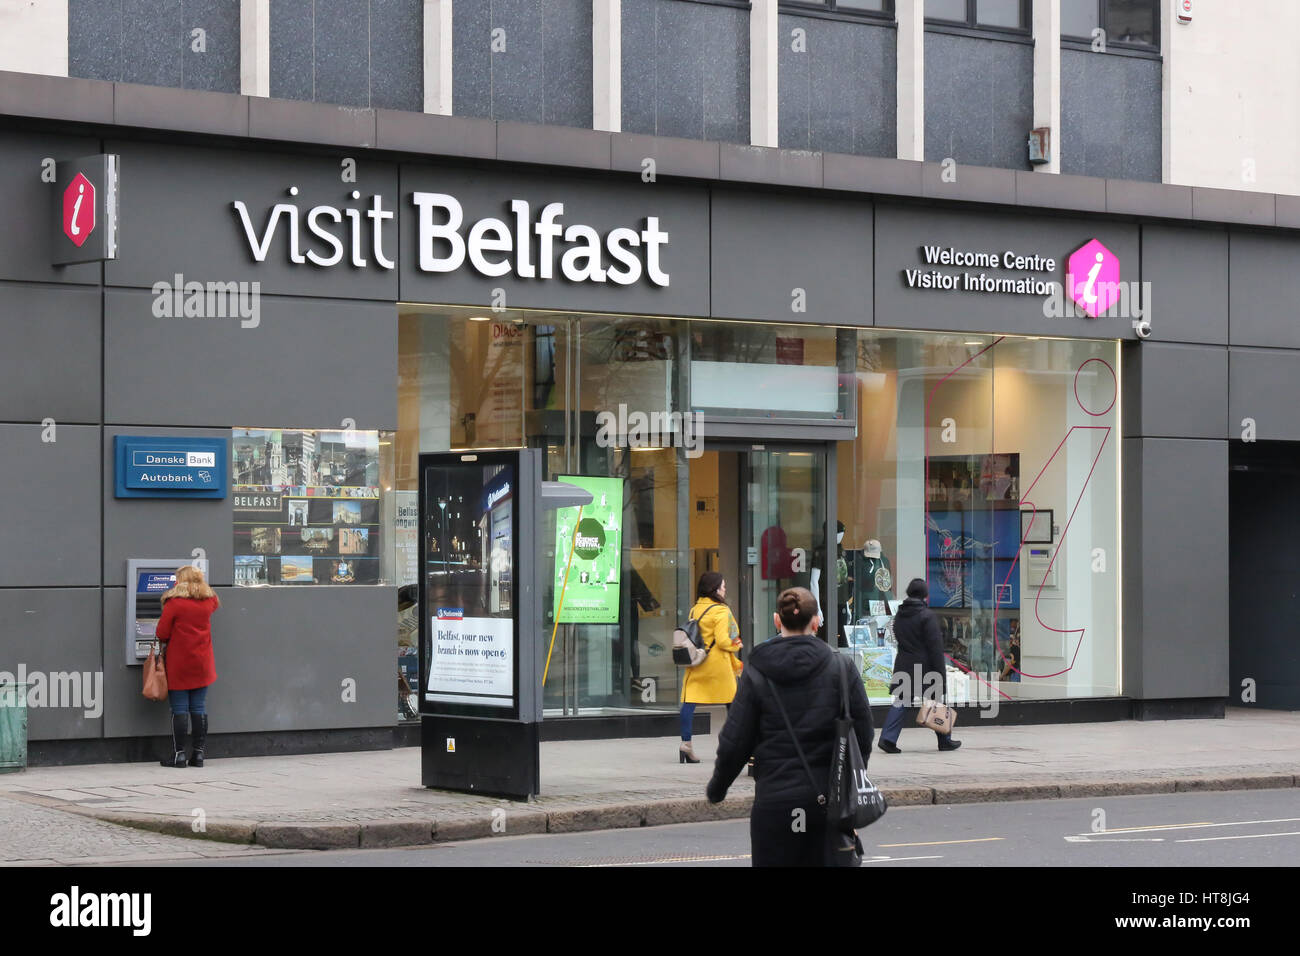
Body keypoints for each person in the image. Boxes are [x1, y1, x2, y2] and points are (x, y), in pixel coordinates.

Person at [706, 587, 874, 866]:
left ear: (776, 621)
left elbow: (735, 740)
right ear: (816, 622)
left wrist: (718, 788)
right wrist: (850, 782)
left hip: (776, 802)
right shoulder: (841, 667)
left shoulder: (757, 669)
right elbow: (865, 734)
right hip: (827, 802)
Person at [877, 578, 961, 753]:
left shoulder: (899, 615)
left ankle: (887, 738)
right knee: (936, 702)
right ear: (925, 595)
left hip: (904, 663)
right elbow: (935, 648)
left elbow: (899, 638)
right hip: (925, 666)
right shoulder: (927, 616)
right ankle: (945, 740)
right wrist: (941, 675)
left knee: (902, 701)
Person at [155, 565, 220, 768]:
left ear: (180, 580)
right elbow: (211, 601)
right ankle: (198, 755)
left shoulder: (175, 603)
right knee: (199, 707)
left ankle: (179, 756)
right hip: (203, 662)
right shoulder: (210, 601)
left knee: (180, 708)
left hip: (179, 663)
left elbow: (161, 633)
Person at [678, 572, 741, 764]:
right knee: (733, 706)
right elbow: (724, 640)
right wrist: (737, 645)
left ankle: (686, 745)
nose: (725, 589)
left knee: (689, 702)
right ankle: (735, 746)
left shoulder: (695, 609)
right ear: (715, 589)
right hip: (718, 666)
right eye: (723, 586)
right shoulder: (722, 611)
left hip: (696, 662)